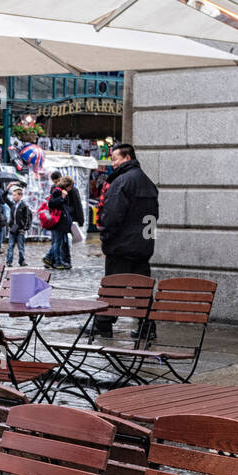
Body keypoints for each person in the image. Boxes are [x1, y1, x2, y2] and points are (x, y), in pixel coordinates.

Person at [95, 143, 160, 337]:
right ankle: (147, 327)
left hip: (121, 245)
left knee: (113, 285)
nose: (112, 163)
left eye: (115, 159)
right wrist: (148, 241)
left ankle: (103, 324)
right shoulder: (148, 182)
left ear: (127, 158)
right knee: (142, 289)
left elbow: (112, 215)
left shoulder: (121, 181)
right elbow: (153, 216)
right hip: (143, 245)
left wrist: (106, 239)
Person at [47, 177, 73, 271]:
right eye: (70, 186)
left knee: (60, 241)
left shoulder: (61, 191)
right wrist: (62, 197)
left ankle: (50, 258)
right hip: (58, 221)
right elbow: (51, 203)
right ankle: (56, 261)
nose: (71, 189)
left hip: (62, 222)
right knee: (58, 242)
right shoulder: (58, 191)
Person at [6, 185, 31, 266]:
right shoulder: (12, 205)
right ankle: (9, 261)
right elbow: (4, 198)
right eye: (13, 195)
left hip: (20, 230)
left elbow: (27, 218)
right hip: (13, 229)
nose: (13, 197)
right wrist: (8, 188)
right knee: (10, 246)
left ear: (20, 195)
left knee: (21, 246)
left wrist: (24, 228)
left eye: (15, 195)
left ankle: (22, 261)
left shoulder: (24, 206)